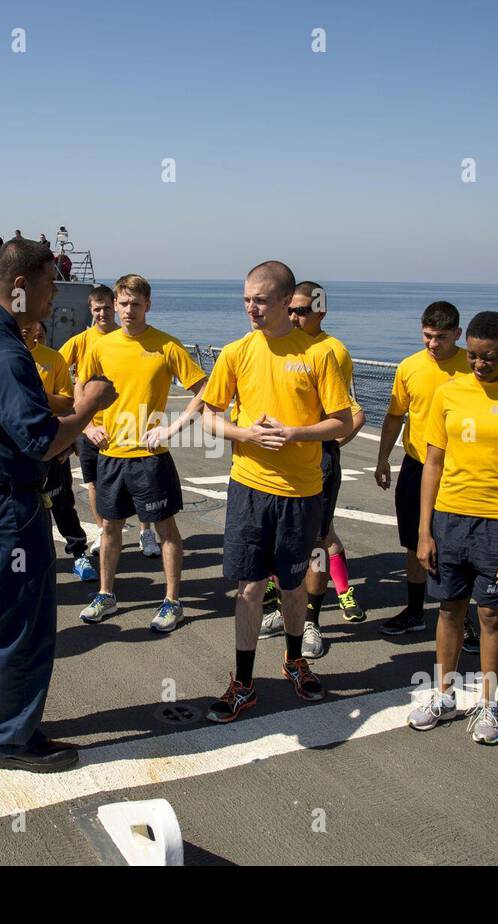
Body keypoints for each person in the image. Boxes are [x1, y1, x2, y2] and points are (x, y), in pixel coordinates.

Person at [0, 238, 116, 771]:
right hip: (5, 513)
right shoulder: (3, 349)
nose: (53, 296)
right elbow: (42, 440)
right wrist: (87, 405)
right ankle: (14, 738)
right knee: (21, 626)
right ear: (20, 287)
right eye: (48, 285)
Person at [199, 261, 353, 722]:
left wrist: (294, 433)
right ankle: (243, 682)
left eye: (261, 300)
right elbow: (210, 415)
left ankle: (293, 660)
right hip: (249, 488)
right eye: (247, 298)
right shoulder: (235, 352)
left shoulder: (319, 354)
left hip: (303, 491)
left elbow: (342, 422)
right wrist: (244, 435)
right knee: (248, 587)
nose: (251, 308)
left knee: (291, 585)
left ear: (288, 301)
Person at [406, 311, 498, 745]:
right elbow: (432, 463)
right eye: (473, 356)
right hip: (450, 518)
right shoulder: (449, 393)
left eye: (489, 357)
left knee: (491, 613)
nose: (479, 364)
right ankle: (444, 693)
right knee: (449, 608)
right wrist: (424, 531)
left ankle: (489, 702)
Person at [76, 274, 207, 633]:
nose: (128, 310)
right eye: (123, 304)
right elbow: (80, 386)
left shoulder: (166, 346)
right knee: (109, 529)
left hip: (150, 458)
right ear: (114, 305)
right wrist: (87, 426)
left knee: (166, 530)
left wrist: (171, 428)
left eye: (136, 304)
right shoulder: (101, 346)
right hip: (111, 455)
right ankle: (106, 594)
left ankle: (172, 602)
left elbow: (204, 389)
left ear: (147, 305)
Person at [258, 281, 367, 658]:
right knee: (278, 542)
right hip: (274, 461)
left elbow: (353, 412)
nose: (294, 317)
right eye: (290, 309)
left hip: (316, 462)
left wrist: (332, 445)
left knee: (317, 542)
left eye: (302, 310)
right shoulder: (273, 341)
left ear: (321, 310)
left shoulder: (331, 350)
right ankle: (283, 612)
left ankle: (311, 622)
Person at [375, 302, 479, 652]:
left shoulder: (473, 365)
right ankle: (416, 610)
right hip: (417, 463)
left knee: (456, 544)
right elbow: (395, 416)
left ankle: (464, 618)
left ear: (458, 335)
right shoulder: (409, 367)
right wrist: (382, 459)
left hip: (460, 467)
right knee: (413, 542)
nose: (433, 344)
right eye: (428, 336)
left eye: (441, 338)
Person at [59, 284, 160, 559]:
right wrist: (86, 425)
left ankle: (145, 531)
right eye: (97, 309)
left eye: (106, 307)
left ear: (113, 306)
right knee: (94, 483)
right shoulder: (81, 341)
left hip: (127, 424)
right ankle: (105, 530)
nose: (102, 313)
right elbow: (61, 371)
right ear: (90, 311)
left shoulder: (130, 336)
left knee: (140, 485)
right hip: (92, 428)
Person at [24, 318, 95, 580]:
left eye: (39, 334)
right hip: (18, 454)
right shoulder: (3, 357)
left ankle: (79, 553)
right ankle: (30, 562)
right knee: (25, 512)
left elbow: (66, 404)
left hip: (53, 447)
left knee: (62, 504)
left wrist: (34, 395)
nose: (32, 334)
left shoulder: (53, 359)